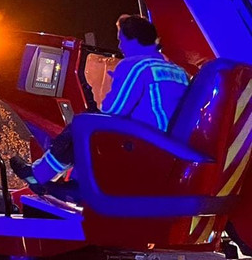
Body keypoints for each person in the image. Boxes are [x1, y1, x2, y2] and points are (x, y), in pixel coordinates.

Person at [10, 14, 190, 191]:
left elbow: (113, 109)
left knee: (81, 124)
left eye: (121, 40)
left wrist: (112, 85)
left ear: (134, 40)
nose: (120, 46)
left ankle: (39, 175)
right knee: (89, 127)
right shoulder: (178, 71)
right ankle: (73, 182)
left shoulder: (136, 65)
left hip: (145, 144)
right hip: (169, 144)